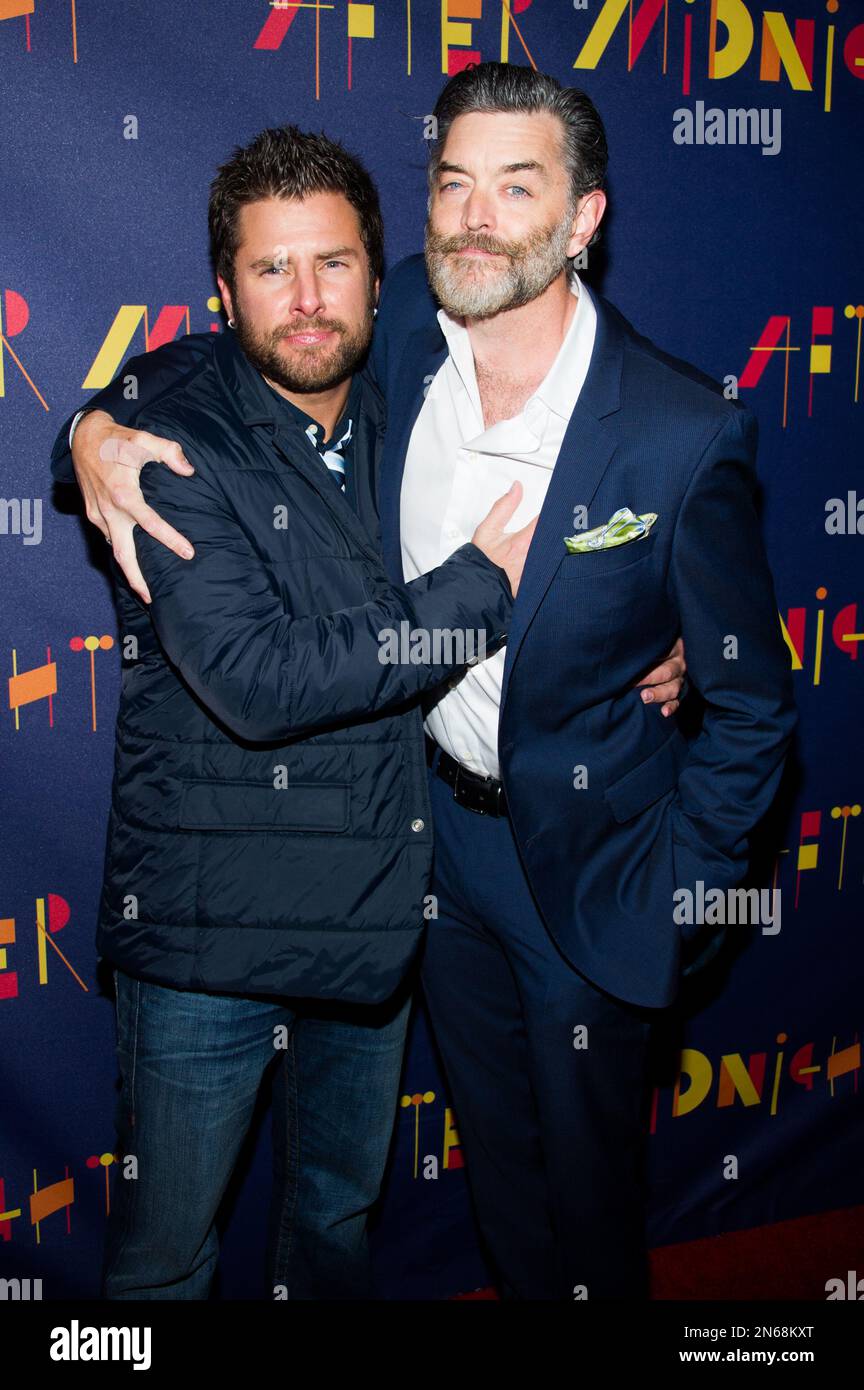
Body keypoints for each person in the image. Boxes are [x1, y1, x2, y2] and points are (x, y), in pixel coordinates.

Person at [51, 86, 700, 1300]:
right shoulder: (173, 438)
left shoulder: (413, 386)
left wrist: (641, 643)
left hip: (375, 928)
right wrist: (89, 429)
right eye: (272, 270)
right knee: (161, 1267)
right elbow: (256, 683)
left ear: (380, 275)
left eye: (334, 264)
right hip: (211, 945)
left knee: (336, 1230)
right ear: (224, 293)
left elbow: (599, 477)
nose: (306, 300)